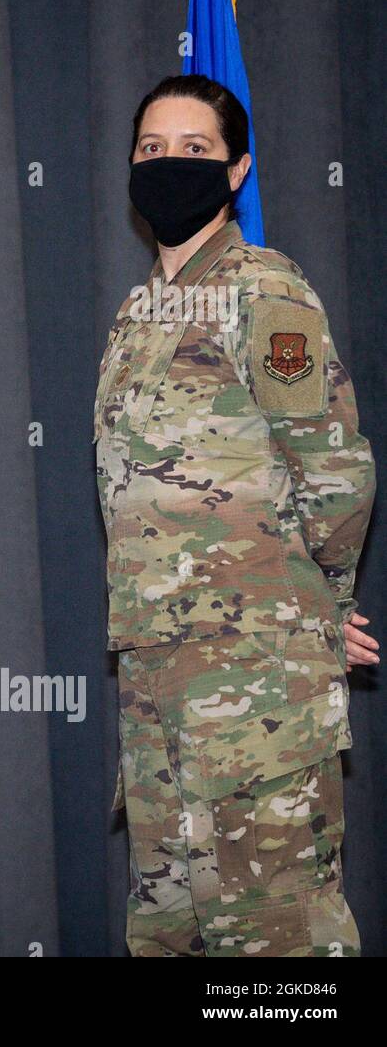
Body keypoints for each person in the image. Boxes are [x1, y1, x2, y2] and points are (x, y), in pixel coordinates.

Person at [97, 73, 377, 956]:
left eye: (193, 151)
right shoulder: (137, 312)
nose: (167, 165)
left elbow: (334, 467)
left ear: (237, 168)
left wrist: (318, 601)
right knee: (169, 928)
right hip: (157, 675)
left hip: (256, 674)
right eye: (150, 150)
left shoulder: (266, 290)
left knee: (276, 937)